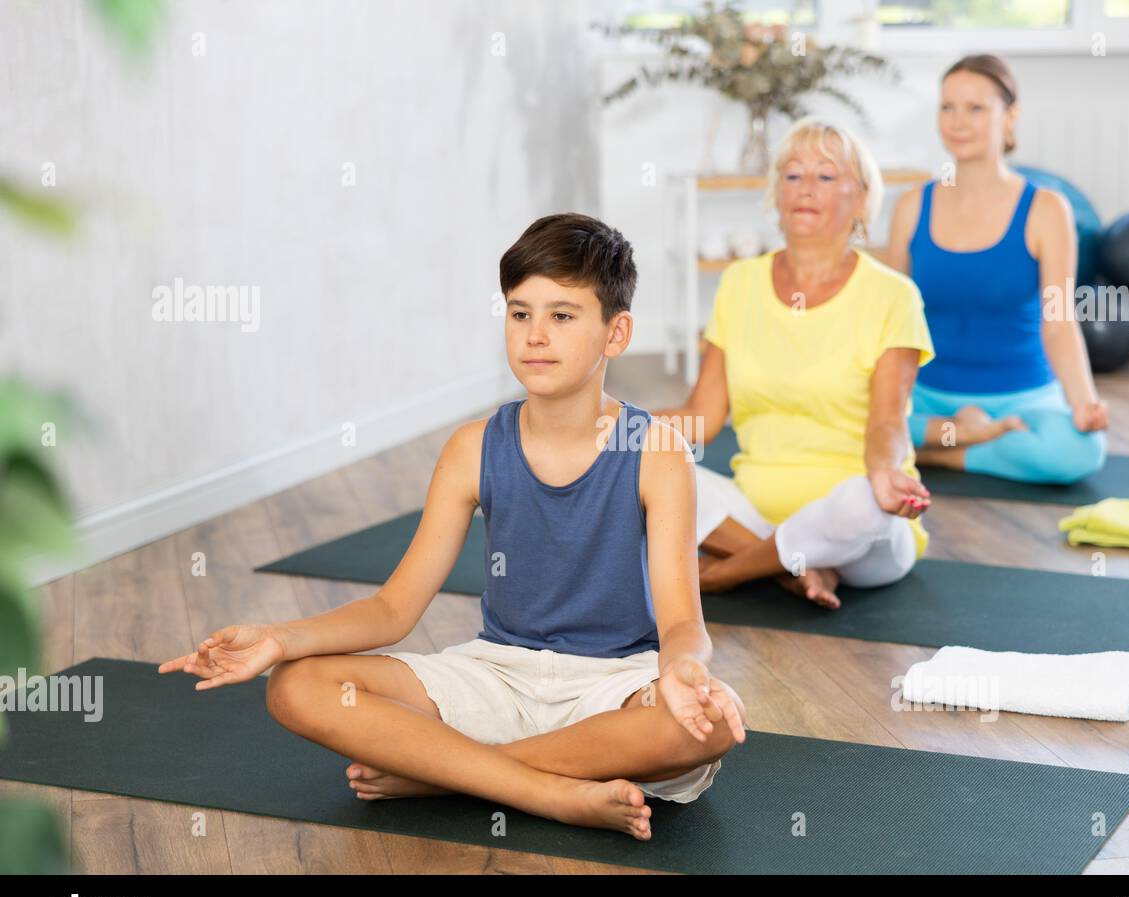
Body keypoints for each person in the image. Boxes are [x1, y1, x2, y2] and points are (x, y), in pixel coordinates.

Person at [160, 213, 746, 842]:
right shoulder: (473, 448)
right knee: (297, 686)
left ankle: (441, 775)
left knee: (704, 725)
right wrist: (281, 638)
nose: (536, 336)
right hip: (495, 674)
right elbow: (393, 608)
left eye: (563, 315)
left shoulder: (656, 450)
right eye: (520, 314)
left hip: (613, 689)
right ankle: (550, 792)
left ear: (616, 332)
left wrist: (684, 668)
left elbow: (683, 621)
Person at [655, 118, 935, 612]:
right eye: (792, 174)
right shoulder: (740, 283)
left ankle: (727, 573)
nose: (805, 188)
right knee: (646, 465)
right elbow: (702, 415)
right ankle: (789, 564)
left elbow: (888, 421)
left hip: (859, 536)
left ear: (863, 197)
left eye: (826, 176)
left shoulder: (894, 296)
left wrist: (886, 474)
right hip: (754, 516)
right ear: (776, 193)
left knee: (862, 504)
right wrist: (620, 434)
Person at [883, 53, 1108, 485]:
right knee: (849, 428)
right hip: (930, 400)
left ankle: (941, 455)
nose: (957, 121)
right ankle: (963, 438)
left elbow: (1059, 323)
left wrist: (1085, 403)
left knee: (1079, 452)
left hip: (1023, 401)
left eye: (975, 108)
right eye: (947, 107)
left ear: (1010, 116)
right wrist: (886, 405)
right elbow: (893, 324)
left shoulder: (1046, 209)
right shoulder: (912, 207)